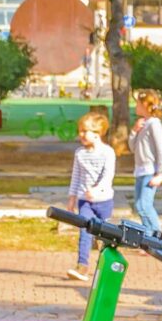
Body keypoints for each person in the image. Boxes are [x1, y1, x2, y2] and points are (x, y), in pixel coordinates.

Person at [65, 112, 116, 282]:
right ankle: (82, 266)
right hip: (85, 201)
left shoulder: (108, 152)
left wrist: (96, 189)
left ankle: (106, 267)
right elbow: (76, 177)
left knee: (106, 235)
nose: (80, 134)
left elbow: (108, 176)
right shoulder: (79, 153)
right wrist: (72, 198)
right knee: (85, 231)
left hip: (104, 201)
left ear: (97, 133)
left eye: (84, 131)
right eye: (79, 131)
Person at [129, 90, 162, 235]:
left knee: (143, 205)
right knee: (139, 205)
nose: (136, 106)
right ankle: (149, 237)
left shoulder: (154, 124)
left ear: (145, 105)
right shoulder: (143, 124)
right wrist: (134, 131)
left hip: (150, 171)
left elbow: (161, 150)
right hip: (140, 170)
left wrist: (161, 174)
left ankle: (156, 237)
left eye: (138, 104)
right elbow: (132, 147)